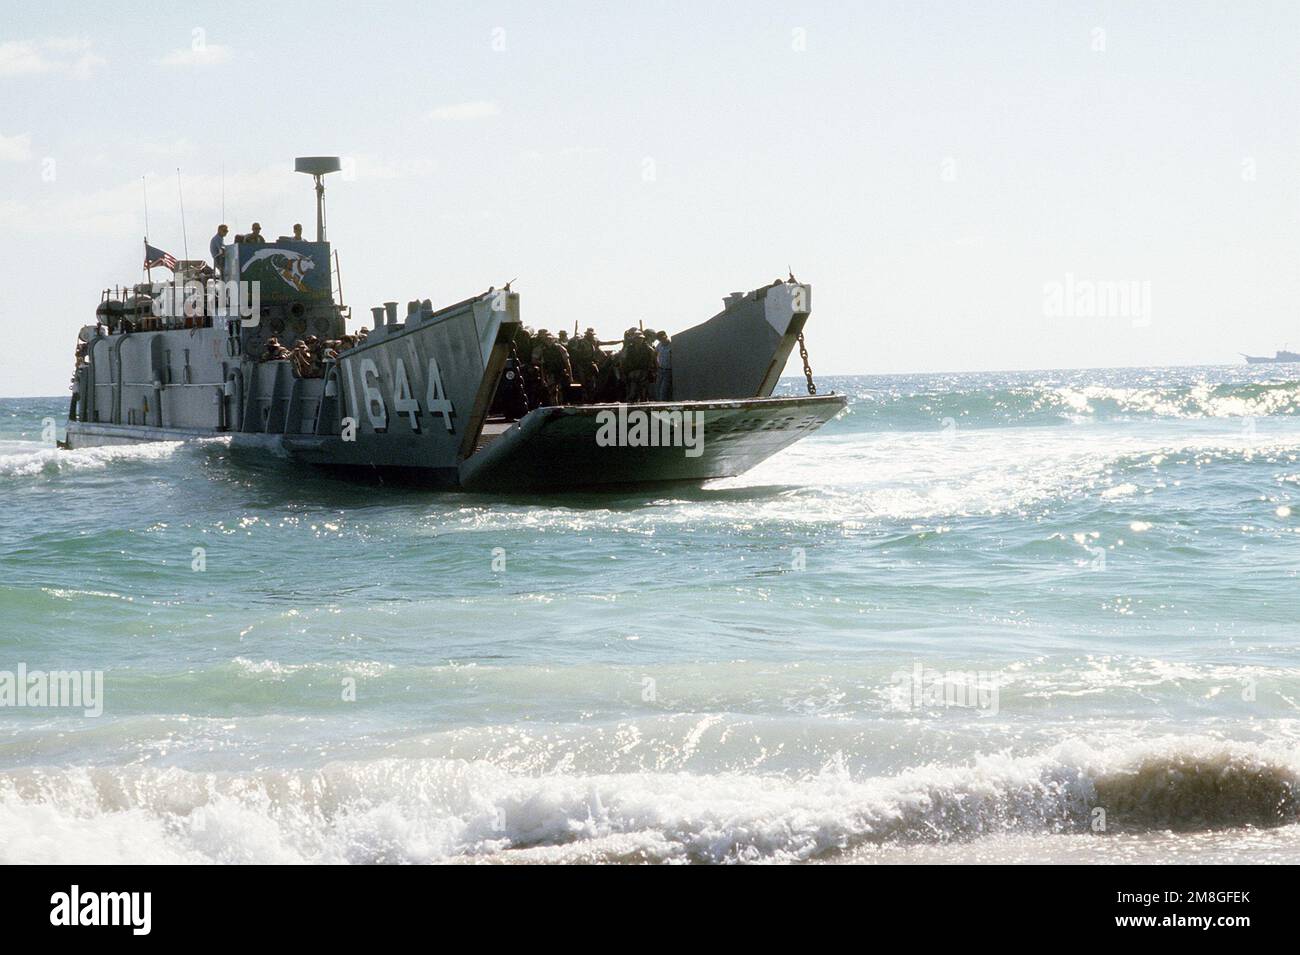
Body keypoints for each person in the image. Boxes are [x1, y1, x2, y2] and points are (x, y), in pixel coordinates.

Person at [654, 330, 672, 401]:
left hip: (668, 370)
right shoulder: (659, 345)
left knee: (663, 390)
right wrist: (656, 364)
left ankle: (662, 403)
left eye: (662, 338)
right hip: (661, 369)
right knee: (657, 388)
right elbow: (654, 354)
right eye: (660, 339)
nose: (662, 340)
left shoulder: (672, 345)